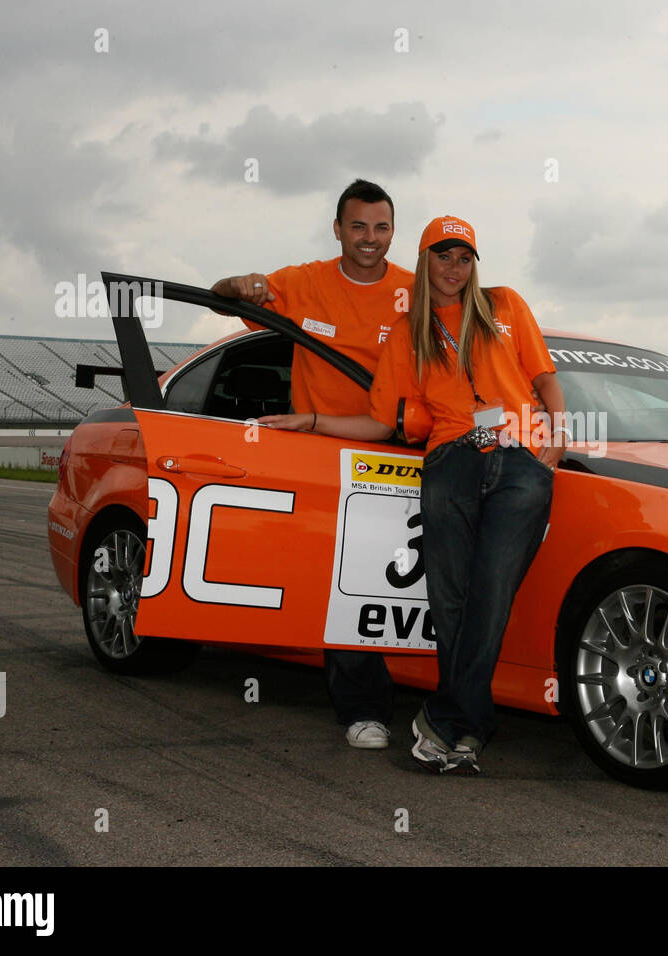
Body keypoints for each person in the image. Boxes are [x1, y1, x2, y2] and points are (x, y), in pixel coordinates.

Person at [260, 215, 568, 774]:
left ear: (476, 264)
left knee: (491, 594)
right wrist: (308, 420)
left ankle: (448, 720)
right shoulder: (409, 332)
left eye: (464, 257)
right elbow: (380, 425)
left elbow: (544, 378)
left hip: (521, 461)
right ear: (424, 261)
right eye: (443, 256)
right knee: (449, 599)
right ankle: (464, 730)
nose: (454, 268)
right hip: (451, 460)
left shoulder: (505, 306)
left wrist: (561, 431)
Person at [210, 179, 411, 751]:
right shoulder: (304, 282)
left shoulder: (414, 292)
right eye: (358, 226)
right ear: (337, 229)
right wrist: (238, 282)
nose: (370, 239)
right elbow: (224, 294)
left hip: (394, 456)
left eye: (381, 227)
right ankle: (364, 708)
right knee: (348, 584)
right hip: (316, 461)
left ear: (392, 231)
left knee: (384, 581)